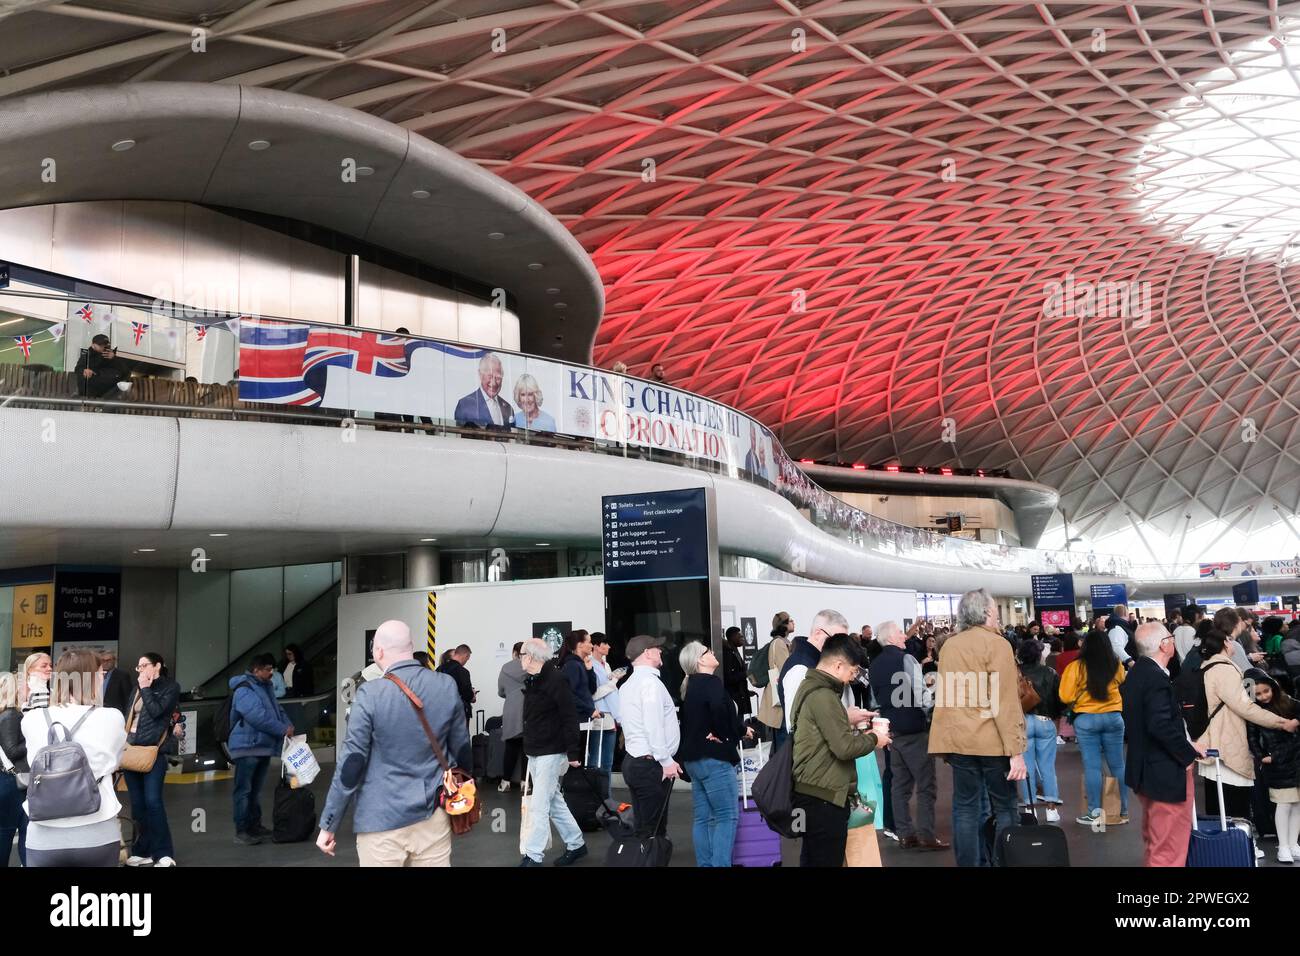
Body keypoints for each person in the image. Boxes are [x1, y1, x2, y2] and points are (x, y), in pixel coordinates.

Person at [318, 620, 471, 866]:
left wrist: (329, 823)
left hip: (381, 820)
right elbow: (462, 748)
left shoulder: (370, 694)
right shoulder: (445, 685)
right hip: (433, 816)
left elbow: (352, 763)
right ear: (410, 647)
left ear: (378, 652)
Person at [928, 588, 1027, 867]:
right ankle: (1003, 861)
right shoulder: (998, 645)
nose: (997, 615)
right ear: (986, 613)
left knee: (965, 808)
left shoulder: (949, 646)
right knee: (1006, 807)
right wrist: (1015, 750)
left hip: (960, 742)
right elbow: (1004, 701)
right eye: (995, 610)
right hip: (993, 742)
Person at [20, 649, 127, 867]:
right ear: (90, 679)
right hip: (98, 830)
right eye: (100, 674)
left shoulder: (31, 719)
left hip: (43, 834)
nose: (103, 677)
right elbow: (114, 763)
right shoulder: (112, 717)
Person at [791, 634, 891, 866]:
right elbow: (844, 748)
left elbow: (821, 735)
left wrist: (847, 721)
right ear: (838, 665)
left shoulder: (810, 687)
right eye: (853, 671)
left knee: (813, 858)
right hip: (824, 798)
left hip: (812, 793)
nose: (851, 678)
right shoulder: (824, 695)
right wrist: (876, 738)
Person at [1195, 628, 1297, 836]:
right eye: (1230, 640)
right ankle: (1238, 840)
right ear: (1225, 644)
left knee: (1221, 797)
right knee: (1234, 797)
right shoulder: (1223, 670)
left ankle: (1227, 840)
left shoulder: (1211, 668)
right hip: (1227, 741)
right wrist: (1280, 722)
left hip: (1217, 738)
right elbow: (1245, 707)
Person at [1121, 622, 1206, 867]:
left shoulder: (1137, 674)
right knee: (1169, 849)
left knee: (1155, 843)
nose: (1173, 641)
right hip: (1165, 772)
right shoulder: (1156, 678)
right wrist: (1187, 754)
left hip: (1145, 771)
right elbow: (1160, 724)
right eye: (1170, 636)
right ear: (1163, 644)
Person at [869, 620, 946, 849]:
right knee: (926, 784)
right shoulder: (907, 659)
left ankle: (905, 834)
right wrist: (930, 707)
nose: (905, 636)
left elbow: (875, 700)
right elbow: (920, 693)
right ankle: (927, 835)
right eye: (901, 633)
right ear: (891, 638)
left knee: (899, 786)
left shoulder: (874, 665)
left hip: (891, 732)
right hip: (914, 730)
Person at [677, 641, 752, 866]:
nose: (712, 652)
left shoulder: (691, 685)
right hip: (714, 760)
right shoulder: (710, 683)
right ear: (700, 660)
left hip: (694, 759)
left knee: (704, 818)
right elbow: (721, 711)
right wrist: (729, 734)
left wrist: (730, 731)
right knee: (726, 816)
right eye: (707, 651)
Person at [518, 639, 587, 866]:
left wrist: (573, 752)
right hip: (536, 749)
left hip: (551, 750)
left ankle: (533, 855)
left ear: (531, 656)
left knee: (539, 805)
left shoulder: (556, 679)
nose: (519, 658)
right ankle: (577, 844)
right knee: (554, 800)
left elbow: (569, 716)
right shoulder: (534, 680)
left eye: (521, 654)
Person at [1059, 623, 1129, 826]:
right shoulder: (1115, 664)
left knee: (1092, 767)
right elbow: (1121, 680)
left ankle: (1095, 813)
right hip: (1114, 717)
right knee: (1117, 765)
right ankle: (1122, 811)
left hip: (1086, 719)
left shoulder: (1076, 666)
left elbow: (1065, 696)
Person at [121, 652, 180, 868]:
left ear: (157, 666)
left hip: (154, 751)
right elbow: (129, 715)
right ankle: (142, 849)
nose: (141, 670)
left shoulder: (170, 687)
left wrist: (145, 688)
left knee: (153, 801)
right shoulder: (136, 689)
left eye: (145, 665)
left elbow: (156, 712)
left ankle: (163, 853)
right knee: (137, 804)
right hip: (131, 749)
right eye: (138, 666)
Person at [228, 653, 294, 846]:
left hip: (261, 747)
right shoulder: (244, 689)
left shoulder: (266, 687)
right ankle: (241, 830)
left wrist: (288, 725)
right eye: (267, 669)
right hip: (247, 747)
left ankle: (254, 826)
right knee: (244, 790)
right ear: (256, 669)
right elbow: (257, 716)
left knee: (254, 790)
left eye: (271, 668)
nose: (271, 672)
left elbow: (277, 710)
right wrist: (283, 729)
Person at [619, 634, 681, 841]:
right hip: (650, 764)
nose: (660, 651)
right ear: (647, 653)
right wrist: (666, 760)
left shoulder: (628, 684)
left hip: (635, 761)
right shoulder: (650, 684)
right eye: (656, 648)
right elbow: (652, 725)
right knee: (653, 830)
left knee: (644, 826)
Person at [779, 609, 872, 733]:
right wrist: (846, 718)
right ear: (818, 634)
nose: (841, 647)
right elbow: (797, 726)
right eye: (835, 640)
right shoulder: (800, 669)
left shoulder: (823, 662)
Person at [1244, 669, 1300, 862]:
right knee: (1284, 804)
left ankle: (1292, 844)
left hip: (1293, 760)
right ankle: (1283, 846)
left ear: (1273, 688)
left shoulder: (1289, 703)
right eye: (1258, 694)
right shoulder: (1254, 712)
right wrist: (1263, 758)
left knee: (1297, 805)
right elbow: (1251, 738)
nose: (1263, 696)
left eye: (1266, 691)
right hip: (1278, 764)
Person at [1017, 639, 1063, 821]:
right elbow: (1059, 699)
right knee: (1047, 766)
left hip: (1022, 723)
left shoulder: (1016, 673)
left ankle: (1030, 808)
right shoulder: (1050, 672)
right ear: (1039, 654)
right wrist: (1055, 715)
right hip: (1045, 721)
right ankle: (1051, 809)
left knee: (1025, 767)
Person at [558, 630, 602, 766]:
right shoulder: (572, 665)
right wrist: (590, 710)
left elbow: (591, 690)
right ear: (580, 645)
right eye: (588, 642)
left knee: (582, 760)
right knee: (577, 763)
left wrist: (589, 670)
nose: (591, 645)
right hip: (577, 722)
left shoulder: (580, 664)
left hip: (584, 721)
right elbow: (569, 695)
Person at [0, 672, 28, 867]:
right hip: (13, 782)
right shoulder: (11, 714)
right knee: (12, 831)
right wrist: (35, 738)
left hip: (7, 781)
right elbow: (12, 750)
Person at [756, 613, 793, 746]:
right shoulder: (779, 643)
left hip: (780, 694)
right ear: (783, 625)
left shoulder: (781, 642)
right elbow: (786, 669)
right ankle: (783, 766)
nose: (793, 622)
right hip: (780, 695)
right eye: (790, 620)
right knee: (784, 737)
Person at [589, 633, 625, 774]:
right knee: (595, 760)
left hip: (611, 715)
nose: (608, 646)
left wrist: (612, 680)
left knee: (608, 761)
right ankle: (596, 794)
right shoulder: (590, 664)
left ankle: (606, 795)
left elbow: (609, 690)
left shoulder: (607, 664)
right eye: (605, 643)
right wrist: (614, 681)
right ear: (596, 646)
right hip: (599, 715)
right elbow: (594, 693)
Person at [453, 352, 513, 429]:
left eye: (498, 378)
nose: (494, 383)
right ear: (480, 374)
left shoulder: (508, 409)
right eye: (490, 376)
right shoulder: (465, 405)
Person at [496, 641, 526, 792]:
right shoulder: (532, 667)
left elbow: (501, 691)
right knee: (527, 750)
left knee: (511, 748)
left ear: (514, 652)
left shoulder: (505, 668)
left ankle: (505, 782)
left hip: (511, 710)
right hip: (529, 709)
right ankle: (525, 783)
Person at [74, 333, 128, 398]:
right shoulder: (87, 356)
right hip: (91, 394)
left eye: (105, 345)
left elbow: (125, 372)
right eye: (100, 345)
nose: (103, 347)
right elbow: (78, 369)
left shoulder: (111, 355)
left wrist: (114, 358)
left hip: (109, 394)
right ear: (93, 345)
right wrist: (84, 370)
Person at [438, 645, 475, 724]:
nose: (466, 662)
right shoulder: (463, 672)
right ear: (466, 655)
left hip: (440, 711)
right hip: (458, 713)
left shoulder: (439, 669)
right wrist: (473, 695)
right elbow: (467, 695)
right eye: (467, 659)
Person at [720, 626, 752, 718]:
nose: (743, 638)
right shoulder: (728, 653)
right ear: (732, 637)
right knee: (737, 727)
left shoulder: (735, 651)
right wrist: (745, 674)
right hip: (733, 699)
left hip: (739, 697)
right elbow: (728, 677)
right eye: (740, 636)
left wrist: (746, 692)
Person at [96, 650, 133, 720]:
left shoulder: (122, 675)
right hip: (97, 714)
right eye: (103, 660)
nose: (105, 663)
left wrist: (126, 717)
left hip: (115, 715)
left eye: (108, 660)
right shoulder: (95, 674)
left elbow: (128, 698)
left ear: (114, 661)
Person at [1107, 604, 1137, 670]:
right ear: (1125, 613)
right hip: (1124, 669)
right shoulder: (1117, 628)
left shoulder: (1120, 626)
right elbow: (1116, 647)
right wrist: (1130, 661)